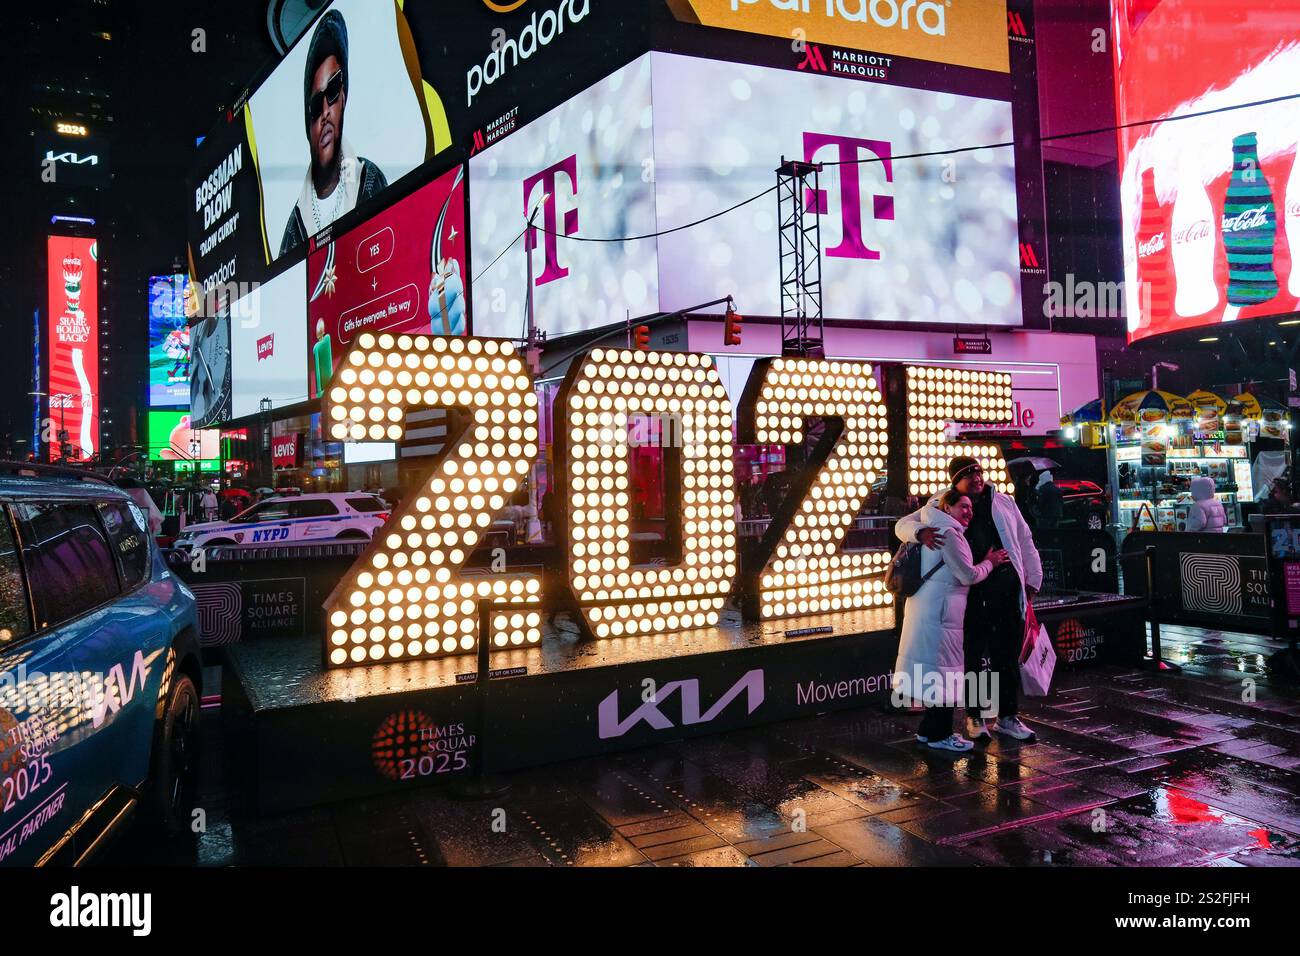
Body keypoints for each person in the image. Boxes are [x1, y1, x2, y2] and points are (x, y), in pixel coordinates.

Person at [896, 456, 1043, 742]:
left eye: (978, 472)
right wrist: (920, 532)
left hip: (1006, 591)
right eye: (968, 474)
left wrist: (1032, 580)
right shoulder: (942, 503)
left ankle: (1008, 716)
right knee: (973, 659)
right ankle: (976, 716)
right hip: (971, 595)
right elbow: (902, 525)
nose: (976, 478)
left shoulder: (1003, 502)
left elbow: (1025, 540)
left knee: (1006, 656)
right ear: (955, 481)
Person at [894, 489, 1010, 753]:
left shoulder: (932, 524)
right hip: (943, 612)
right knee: (943, 674)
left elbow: (903, 525)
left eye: (971, 508)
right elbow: (968, 575)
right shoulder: (950, 535)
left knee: (934, 672)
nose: (968, 512)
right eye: (963, 507)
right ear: (948, 508)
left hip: (928, 607)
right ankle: (940, 734)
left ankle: (927, 731)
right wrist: (990, 562)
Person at [280, 10, 388, 257]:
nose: (326, 112)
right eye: (317, 104)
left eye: (333, 91)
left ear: (344, 98)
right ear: (308, 124)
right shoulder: (294, 229)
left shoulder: (369, 180)